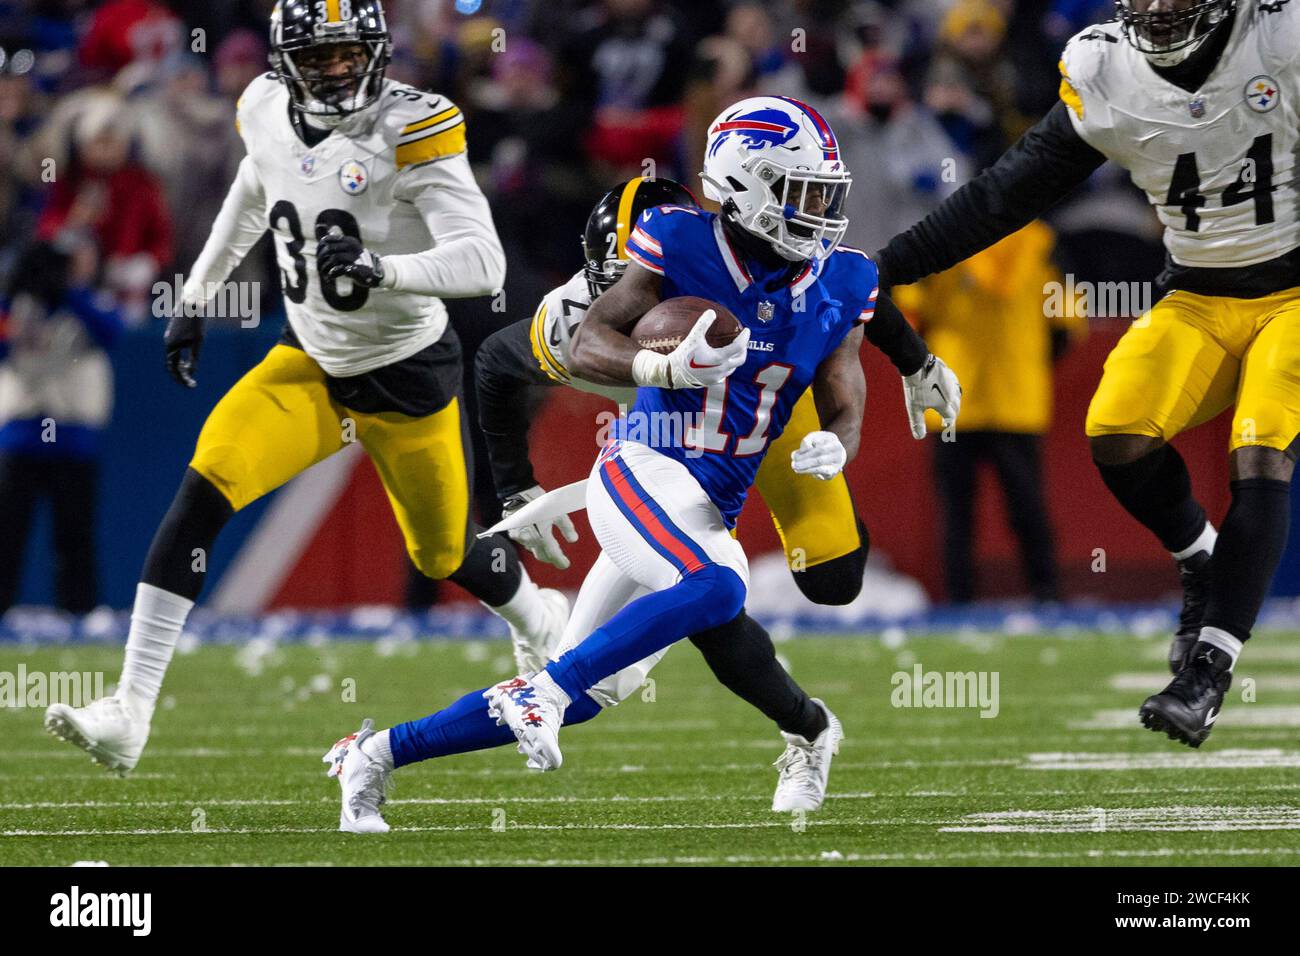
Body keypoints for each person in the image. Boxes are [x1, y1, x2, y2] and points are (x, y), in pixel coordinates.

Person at [324, 95, 961, 833]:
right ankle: (554, 696)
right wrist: (659, 371)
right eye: (802, 194)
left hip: (709, 502)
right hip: (642, 467)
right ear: (747, 186)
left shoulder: (844, 279)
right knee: (717, 586)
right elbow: (593, 336)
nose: (819, 211)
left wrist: (839, 444)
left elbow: (844, 387)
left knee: (597, 686)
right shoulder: (679, 240)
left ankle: (374, 754)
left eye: (826, 194)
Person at [44, 0, 567, 774]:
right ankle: (129, 710)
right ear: (286, 62)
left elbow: (482, 265)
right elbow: (258, 188)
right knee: (205, 487)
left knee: (444, 552)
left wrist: (383, 269)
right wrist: (197, 296)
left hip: (407, 371)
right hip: (310, 360)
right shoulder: (261, 106)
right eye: (316, 56)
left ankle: (538, 612)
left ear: (378, 53)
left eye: (348, 53)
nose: (334, 70)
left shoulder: (411, 127)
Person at [873, 0, 1297, 747]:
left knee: (1260, 454)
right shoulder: (1107, 69)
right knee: (1117, 435)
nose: (1159, 8)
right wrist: (883, 267)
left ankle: (1206, 674)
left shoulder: (1281, 36)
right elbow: (1002, 197)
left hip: (1294, 293)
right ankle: (1201, 559)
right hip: (1198, 293)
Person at [893, 220, 1086, 603]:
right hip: (1017, 395)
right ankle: (1046, 594)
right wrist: (1030, 362)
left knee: (956, 512)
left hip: (950, 394)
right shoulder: (1042, 244)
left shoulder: (943, 236)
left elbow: (907, 316)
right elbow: (1067, 323)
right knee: (1027, 505)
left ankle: (958, 600)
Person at [0, 238, 122, 613]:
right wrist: (15, 293)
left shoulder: (90, 302)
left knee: (74, 533)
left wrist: (68, 294)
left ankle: (79, 610)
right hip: (22, 435)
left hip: (72, 436)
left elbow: (111, 332)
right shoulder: (19, 305)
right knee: (7, 533)